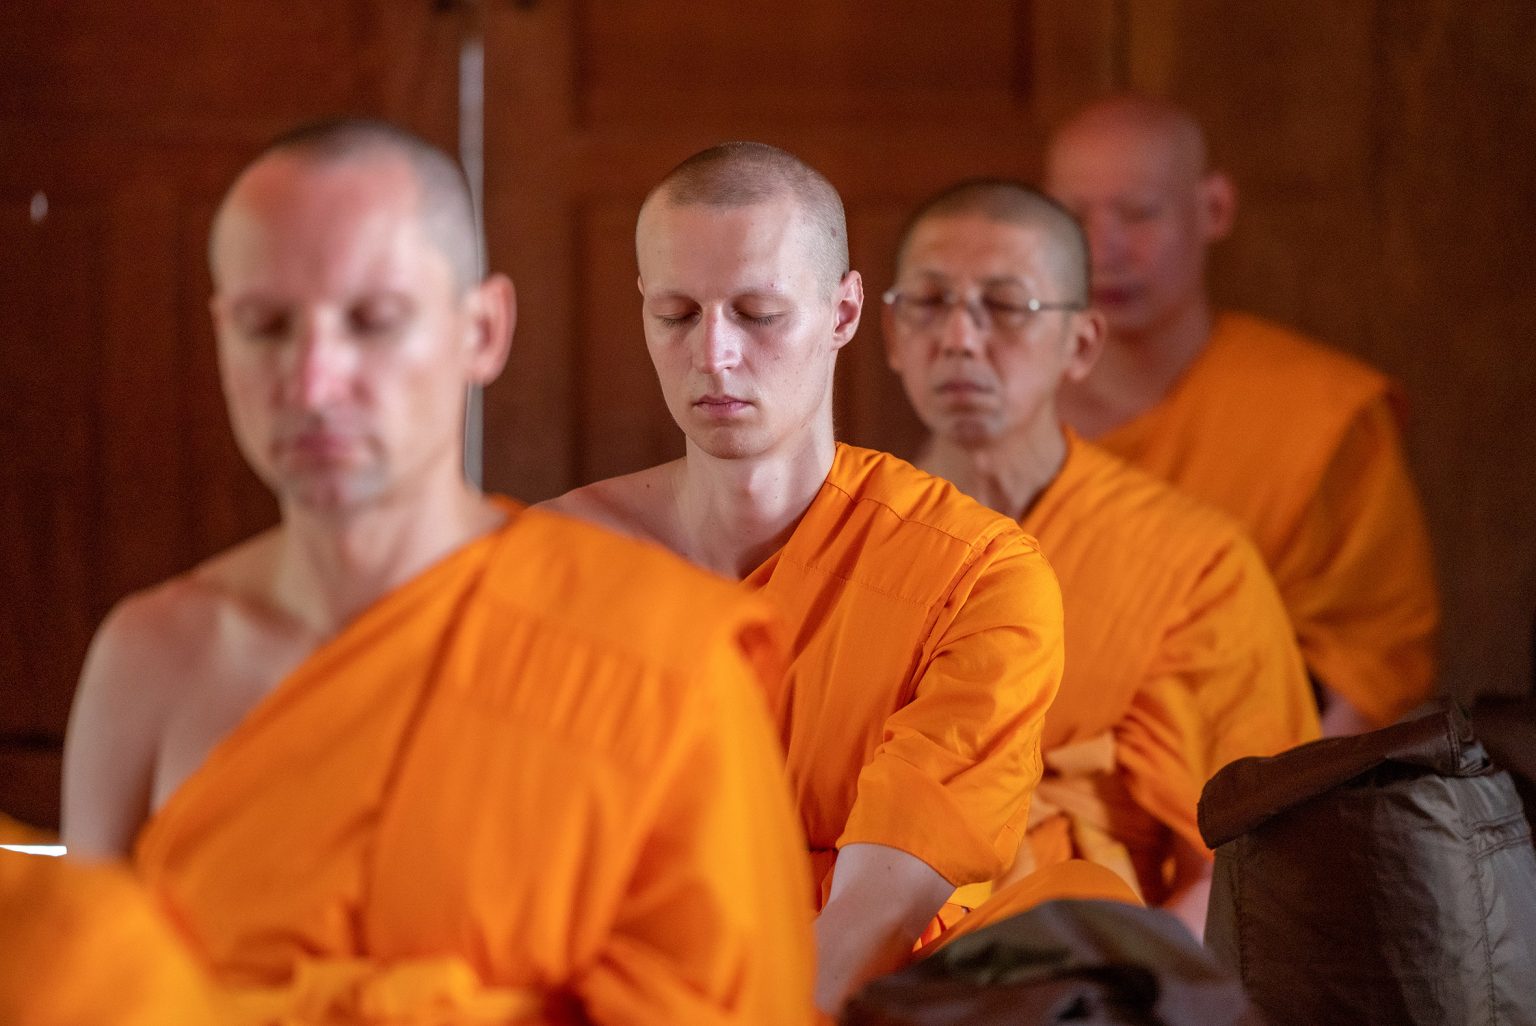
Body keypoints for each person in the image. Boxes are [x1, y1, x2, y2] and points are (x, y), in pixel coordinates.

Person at [61, 118, 815, 1025]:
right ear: (222, 334)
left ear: (482, 331)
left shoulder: (660, 660)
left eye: (374, 321)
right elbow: (86, 995)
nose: (313, 379)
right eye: (267, 326)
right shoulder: (152, 661)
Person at [542, 142, 1133, 1015]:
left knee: (1083, 922)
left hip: (873, 1001)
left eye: (758, 313)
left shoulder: (975, 577)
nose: (716, 354)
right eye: (676, 313)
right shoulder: (552, 562)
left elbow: (882, 905)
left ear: (844, 311)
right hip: (623, 988)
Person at [883, 178, 1320, 937]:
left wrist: (1127, 987)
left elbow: (1253, 852)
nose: (958, 337)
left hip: (1089, 971)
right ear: (889, 334)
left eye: (1005, 306)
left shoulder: (1193, 561)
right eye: (927, 303)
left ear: (1079, 344)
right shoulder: (841, 539)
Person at [1045, 95, 1440, 735]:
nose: (1103, 248)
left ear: (1214, 210)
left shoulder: (1316, 410)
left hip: (1256, 796)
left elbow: (1371, 660)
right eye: (1072, 215)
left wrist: (1254, 822)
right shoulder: (1003, 409)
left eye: (1139, 213)